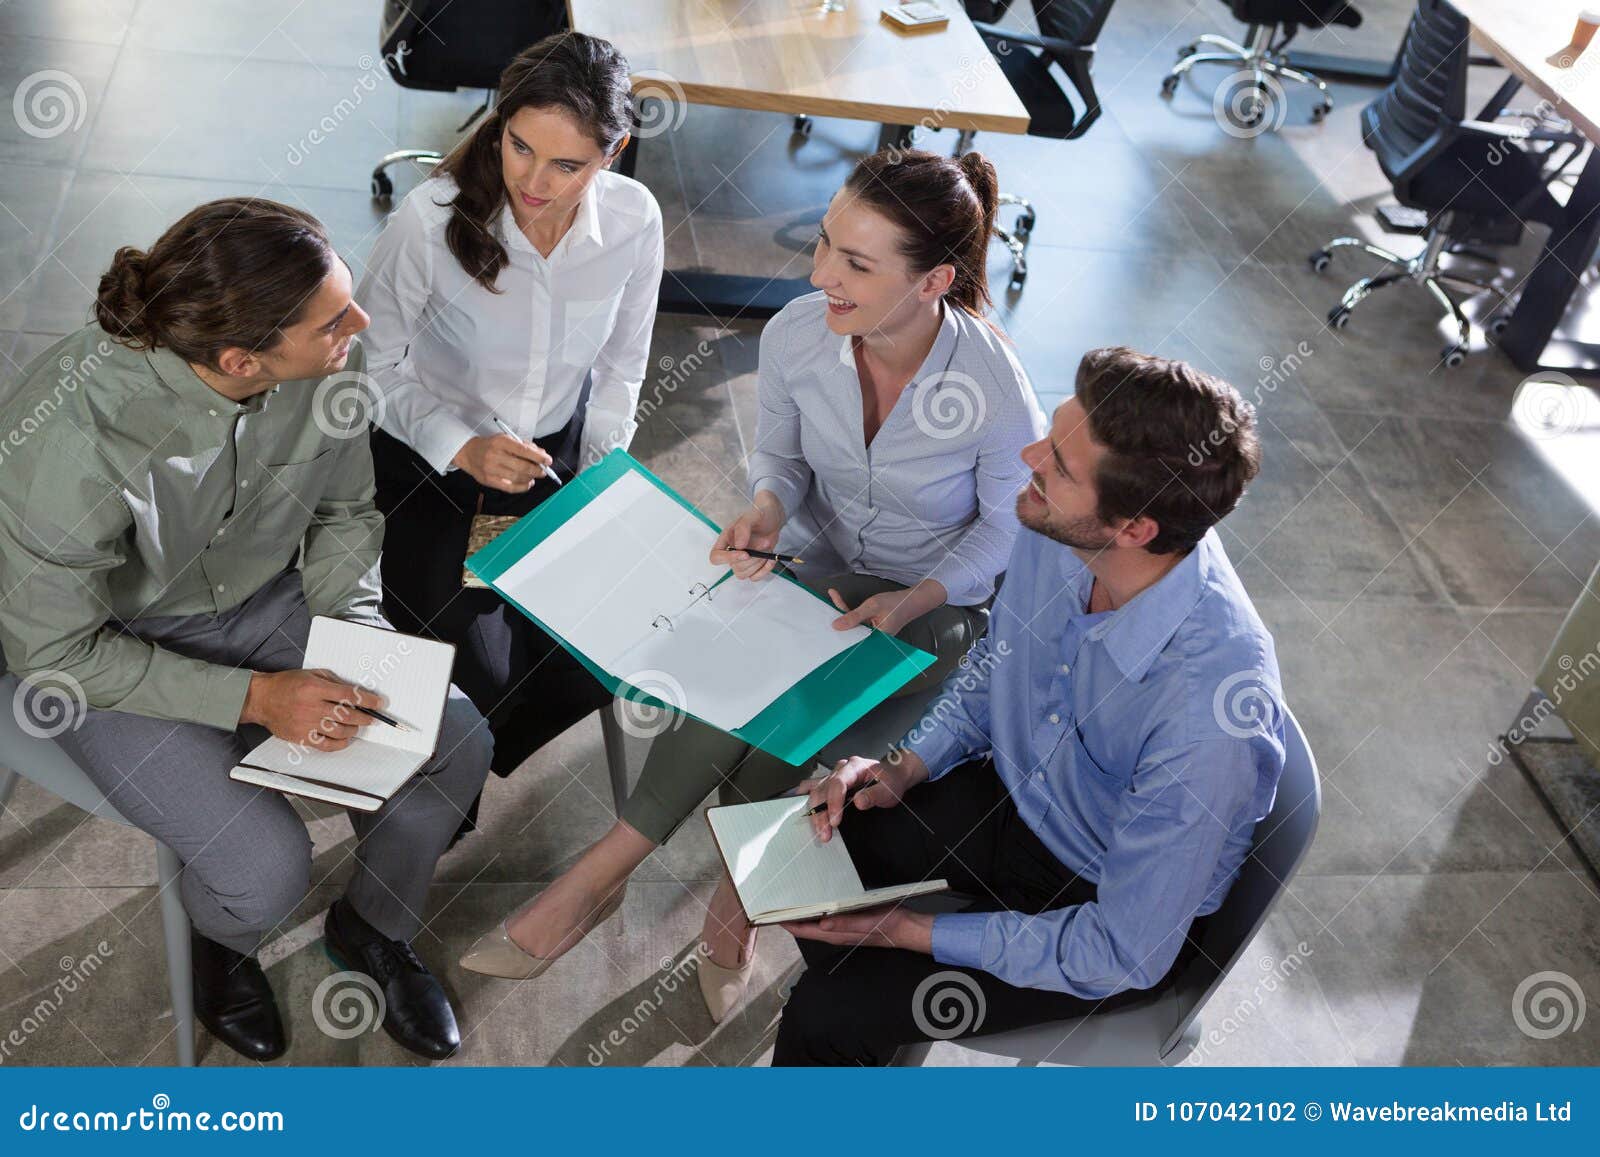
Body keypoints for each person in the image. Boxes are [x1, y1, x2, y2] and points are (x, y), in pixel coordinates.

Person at [459, 148, 1047, 1022]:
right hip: (815, 576)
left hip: (936, 613)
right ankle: (706, 897)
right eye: (824, 244)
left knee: (773, 693)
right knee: (750, 675)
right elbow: (780, 456)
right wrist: (769, 506)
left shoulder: (993, 385)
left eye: (856, 263)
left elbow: (1007, 530)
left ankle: (630, 879)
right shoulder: (799, 334)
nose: (820, 275)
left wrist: (919, 594)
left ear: (934, 282)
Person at [0, 199, 493, 1062]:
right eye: (333, 319)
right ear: (240, 361)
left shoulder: (332, 358)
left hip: (266, 598)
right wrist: (259, 698)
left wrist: (354, 633)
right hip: (108, 650)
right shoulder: (69, 441)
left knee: (454, 744)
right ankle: (223, 942)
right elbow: (55, 652)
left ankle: (373, 927)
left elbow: (343, 511)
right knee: (263, 872)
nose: (360, 324)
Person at [770, 346, 1286, 1066]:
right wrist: (909, 764)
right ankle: (871, 1027)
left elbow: (1122, 950)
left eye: (1060, 465)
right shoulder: (1059, 524)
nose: (1028, 459)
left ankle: (855, 1020)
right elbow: (998, 664)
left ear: (1134, 529)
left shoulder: (1208, 719)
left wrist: (911, 932)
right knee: (806, 854)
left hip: (1100, 902)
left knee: (826, 1014)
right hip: (1022, 798)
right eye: (1051, 435)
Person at [356, 32, 662, 825]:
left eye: (567, 164)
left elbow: (623, 366)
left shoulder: (635, 220)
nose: (533, 180)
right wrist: (460, 445)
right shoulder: (428, 223)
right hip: (431, 464)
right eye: (519, 146)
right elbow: (369, 368)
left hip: (555, 462)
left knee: (612, 641)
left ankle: (463, 767)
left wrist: (602, 474)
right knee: (472, 665)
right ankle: (433, 808)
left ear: (613, 152)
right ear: (500, 122)